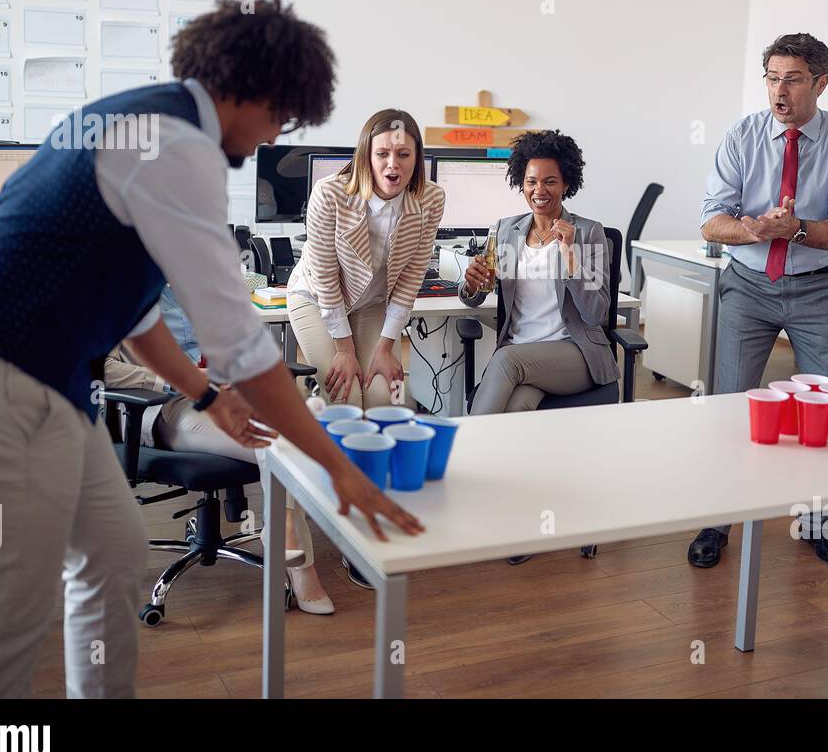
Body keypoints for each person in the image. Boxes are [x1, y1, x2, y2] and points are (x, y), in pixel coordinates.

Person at [0, 0, 422, 699]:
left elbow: (134, 308)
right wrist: (338, 469)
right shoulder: (177, 147)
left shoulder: (144, 120)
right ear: (255, 89)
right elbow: (240, 343)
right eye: (283, 115)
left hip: (48, 383)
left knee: (115, 555)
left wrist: (209, 397)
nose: (277, 134)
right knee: (2, 621)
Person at [693, 32, 828, 570]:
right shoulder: (743, 135)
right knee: (732, 407)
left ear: (820, 82)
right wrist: (755, 232)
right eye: (772, 78)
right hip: (748, 285)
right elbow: (711, 217)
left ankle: (817, 521)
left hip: (818, 288)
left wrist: (794, 231)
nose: (779, 92)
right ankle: (717, 519)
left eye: (793, 80)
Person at [285, 109, 444, 588]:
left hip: (376, 305)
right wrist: (345, 349)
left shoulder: (429, 199)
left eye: (404, 154)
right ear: (366, 156)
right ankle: (333, 524)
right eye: (382, 154)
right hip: (318, 299)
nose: (393, 164)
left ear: (417, 159)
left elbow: (412, 274)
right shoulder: (331, 194)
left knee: (384, 402)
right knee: (345, 399)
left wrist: (386, 346)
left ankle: (367, 533)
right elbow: (326, 276)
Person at [104, 285, 333, 615]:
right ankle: (298, 561)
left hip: (221, 391)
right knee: (274, 439)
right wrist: (182, 380)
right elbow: (103, 369)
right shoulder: (112, 288)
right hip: (160, 405)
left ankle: (282, 534)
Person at [459, 129, 618, 416]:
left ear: (566, 183)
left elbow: (596, 314)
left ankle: (463, 446)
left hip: (574, 352)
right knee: (517, 406)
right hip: (523, 351)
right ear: (521, 183)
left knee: (507, 361)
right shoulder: (507, 230)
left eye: (550, 182)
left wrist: (570, 255)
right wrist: (472, 285)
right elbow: (478, 293)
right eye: (531, 182)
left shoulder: (587, 232)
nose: (539, 191)